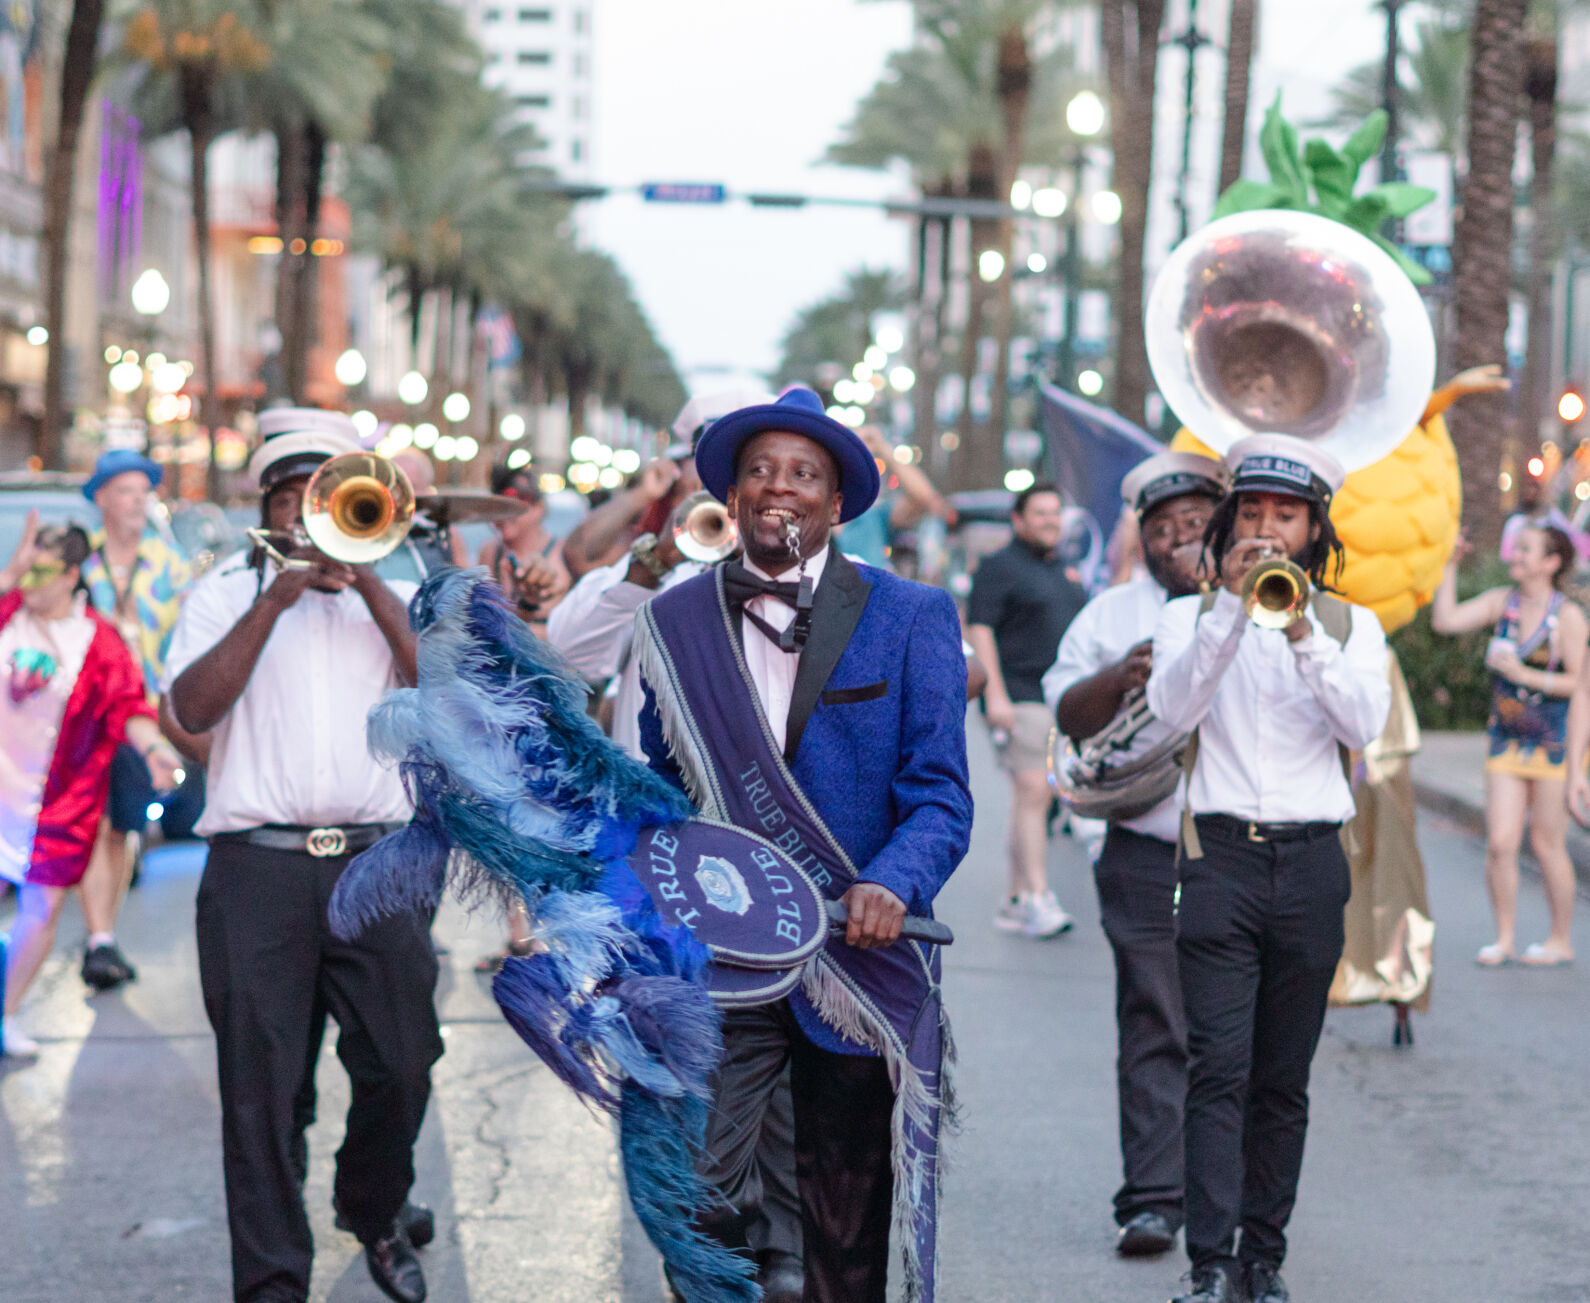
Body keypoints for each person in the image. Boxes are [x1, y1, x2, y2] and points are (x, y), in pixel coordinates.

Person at [632, 385, 972, 1303]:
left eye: (803, 473)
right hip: (725, 952)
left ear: (836, 500)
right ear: (732, 494)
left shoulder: (912, 614)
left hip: (857, 956)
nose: (780, 486)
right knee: (689, 1188)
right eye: (760, 470)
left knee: (845, 1223)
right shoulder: (676, 623)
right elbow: (664, 788)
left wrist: (892, 883)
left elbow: (941, 795)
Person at [164, 408, 443, 1303]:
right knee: (261, 1093)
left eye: (328, 492)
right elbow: (192, 709)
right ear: (270, 511)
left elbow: (441, 691)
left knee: (404, 1060)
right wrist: (275, 598)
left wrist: (369, 586)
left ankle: (373, 1206)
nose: (311, 513)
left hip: (377, 864)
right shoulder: (223, 593)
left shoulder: (395, 587)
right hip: (257, 867)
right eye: (293, 497)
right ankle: (272, 1284)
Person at [1146, 435, 1391, 1303]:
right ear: (1227, 522)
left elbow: (1362, 726)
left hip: (1312, 862)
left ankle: (1263, 1257)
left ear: (1313, 529)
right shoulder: (1186, 619)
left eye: (1285, 514)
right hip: (1220, 861)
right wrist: (1227, 609)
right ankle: (1211, 1263)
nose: (1266, 527)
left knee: (1283, 1078)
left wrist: (1301, 632)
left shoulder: (1352, 627)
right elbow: (1172, 712)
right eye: (1250, 510)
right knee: (1218, 1067)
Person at [1043, 451, 1226, 1258]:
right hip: (1145, 846)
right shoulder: (1111, 615)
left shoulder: (1263, 605)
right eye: (1162, 527)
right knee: (1154, 1017)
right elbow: (1067, 713)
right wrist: (1121, 676)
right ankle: (1153, 1198)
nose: (1179, 536)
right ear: (1142, 539)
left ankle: (1229, 1202)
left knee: (1234, 1031)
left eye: (1195, 522)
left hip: (1241, 852)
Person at [1, 519, 182, 1058]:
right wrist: (10, 576)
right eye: (25, 567)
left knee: (41, 908)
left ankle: (7, 1013)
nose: (30, 580)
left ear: (71, 574)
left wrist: (154, 749)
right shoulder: (8, 611)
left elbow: (128, 705)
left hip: (56, 805)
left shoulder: (98, 640)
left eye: (42, 571)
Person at [1432, 524, 1583, 966]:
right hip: (1505, 740)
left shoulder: (1567, 616)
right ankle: (1504, 937)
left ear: (1551, 563)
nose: (1514, 555)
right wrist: (1448, 566)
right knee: (1500, 842)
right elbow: (1445, 621)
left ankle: (1560, 939)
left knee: (1547, 844)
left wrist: (1525, 675)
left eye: (1525, 550)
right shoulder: (1504, 603)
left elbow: (1581, 684)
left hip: (1552, 744)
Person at [76, 448, 194, 991]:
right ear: (101, 498)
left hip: (140, 714)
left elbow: (189, 639)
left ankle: (105, 933)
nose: (137, 502)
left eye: (144, 492)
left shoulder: (169, 563)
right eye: (126, 491)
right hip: (84, 715)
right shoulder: (81, 558)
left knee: (121, 826)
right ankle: (98, 939)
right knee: (94, 822)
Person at [966, 482, 1087, 937]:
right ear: (1018, 520)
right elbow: (980, 629)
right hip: (1020, 696)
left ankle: (1015, 899)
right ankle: (1037, 895)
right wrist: (995, 695)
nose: (1050, 521)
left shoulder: (1063, 569)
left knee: (1036, 797)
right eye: (1040, 513)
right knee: (1035, 789)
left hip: (1060, 699)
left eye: (1055, 513)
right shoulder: (999, 566)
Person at [477, 461, 571, 634]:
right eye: (499, 506)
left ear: (538, 508)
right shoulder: (489, 552)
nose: (504, 515)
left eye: (513, 506)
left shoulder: (562, 554)